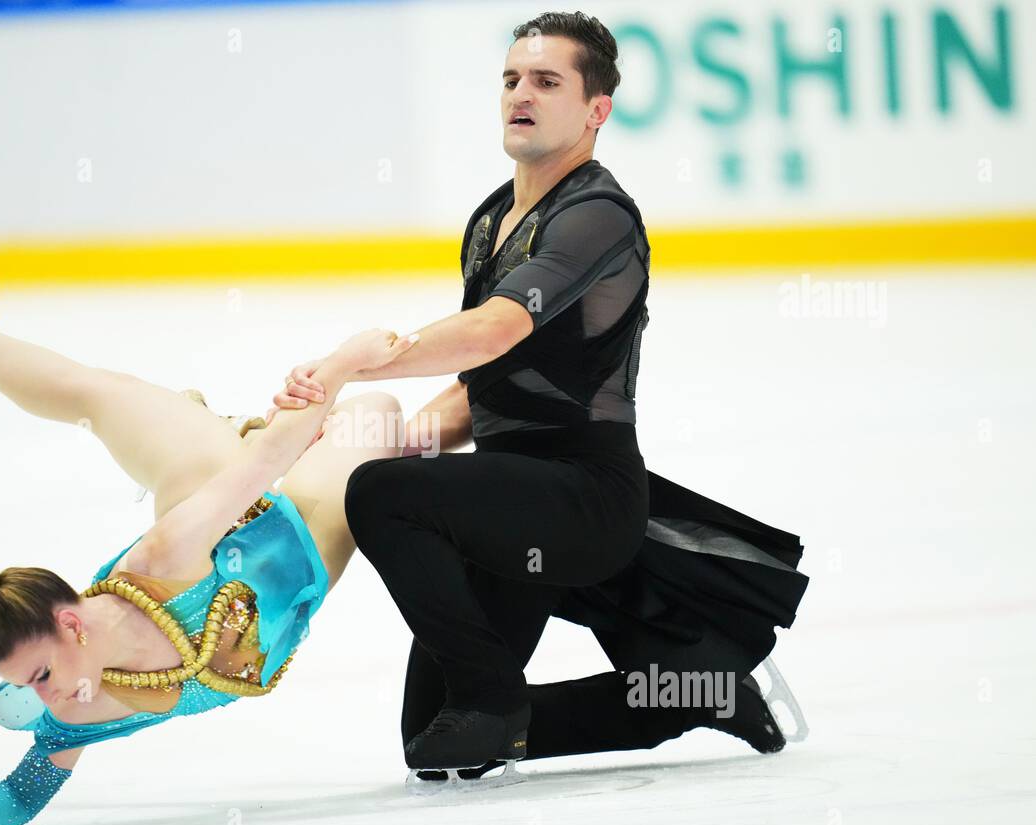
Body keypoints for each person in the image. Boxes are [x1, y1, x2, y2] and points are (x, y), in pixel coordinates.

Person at [273, 12, 810, 782]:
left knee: (384, 498)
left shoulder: (595, 215)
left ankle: (494, 700)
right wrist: (398, 439)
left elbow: (493, 331)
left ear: (597, 110)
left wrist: (354, 366)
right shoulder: (492, 219)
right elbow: (481, 382)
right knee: (431, 740)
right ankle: (696, 695)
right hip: (507, 497)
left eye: (547, 81)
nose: (521, 94)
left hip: (581, 494)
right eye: (512, 79)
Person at [0, 241, 418, 825]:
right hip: (297, 557)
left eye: (39, 673)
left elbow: (267, 459)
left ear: (71, 624)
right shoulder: (74, 709)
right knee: (376, 416)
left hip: (218, 502)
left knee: (107, 400)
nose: (43, 697)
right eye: (29, 685)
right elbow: (20, 795)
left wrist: (344, 360)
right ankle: (220, 432)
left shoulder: (159, 559)